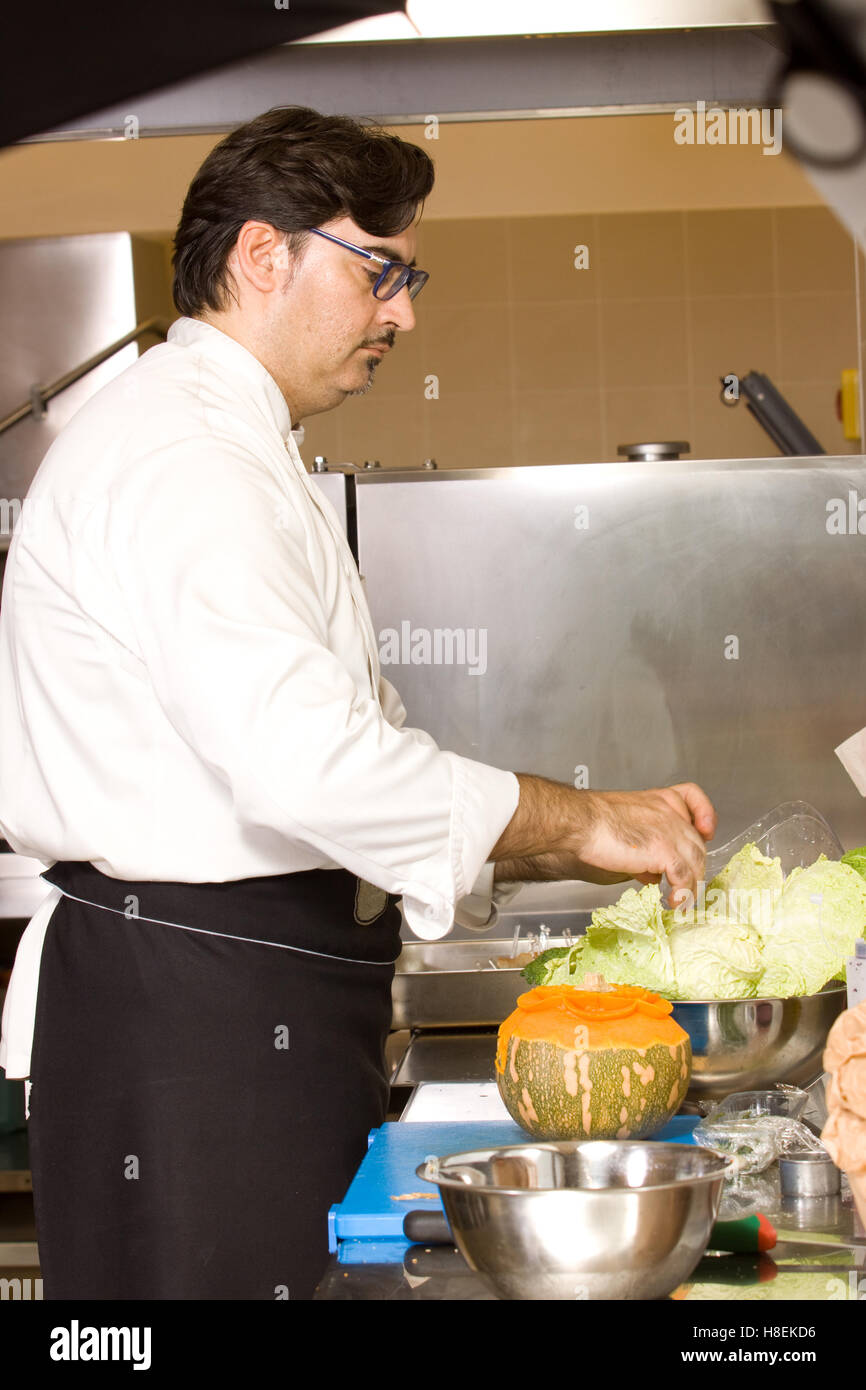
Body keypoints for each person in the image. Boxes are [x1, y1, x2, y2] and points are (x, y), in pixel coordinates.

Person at [0, 105, 716, 1300]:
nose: (404, 313)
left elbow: (356, 762)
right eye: (379, 270)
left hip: (239, 1003)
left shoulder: (239, 444)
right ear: (262, 256)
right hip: (191, 1024)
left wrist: (550, 851)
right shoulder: (185, 456)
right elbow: (309, 767)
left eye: (408, 274)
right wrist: (579, 819)